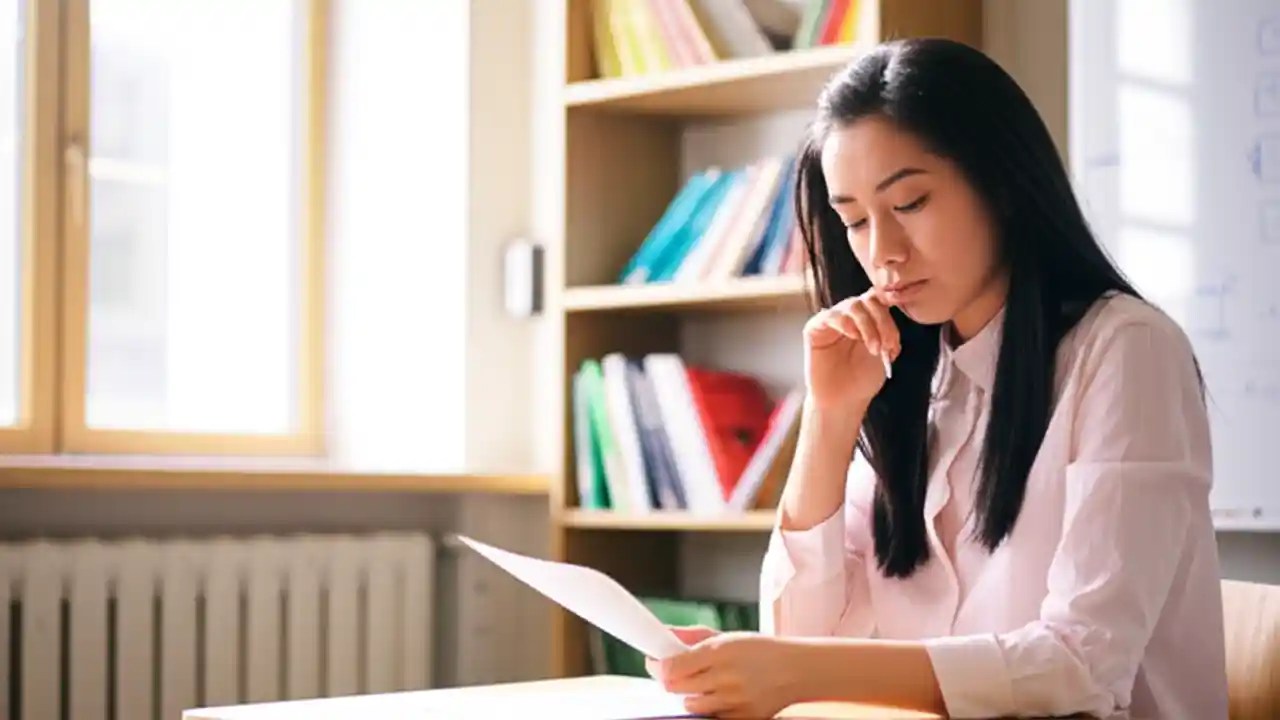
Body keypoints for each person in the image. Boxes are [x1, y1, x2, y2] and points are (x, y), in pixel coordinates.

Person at [647, 38, 1229, 720]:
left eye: (911, 203)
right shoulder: (908, 377)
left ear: (1002, 183)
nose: (882, 253)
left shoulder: (1127, 351)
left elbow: (1081, 665)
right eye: (856, 221)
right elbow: (801, 632)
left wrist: (795, 669)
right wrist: (831, 420)